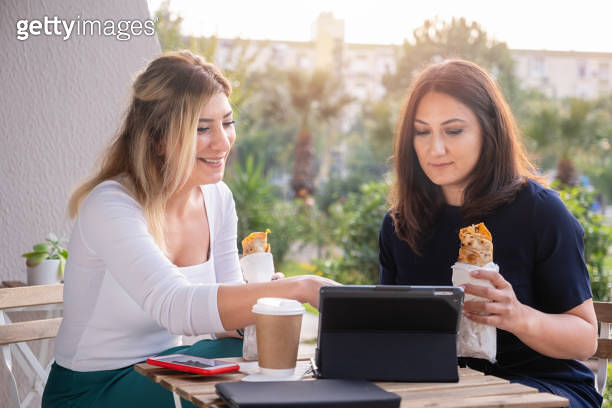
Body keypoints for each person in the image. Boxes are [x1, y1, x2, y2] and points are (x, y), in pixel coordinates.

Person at [42, 50, 338, 408]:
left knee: (249, 356)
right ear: (159, 138)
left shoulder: (217, 198)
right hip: (94, 388)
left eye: (227, 123)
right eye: (202, 128)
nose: (222, 142)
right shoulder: (112, 205)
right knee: (247, 387)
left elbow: (224, 325)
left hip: (164, 369)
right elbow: (176, 307)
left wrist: (263, 301)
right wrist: (302, 288)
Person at [378, 59, 601, 407]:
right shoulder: (400, 223)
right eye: (422, 131)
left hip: (543, 388)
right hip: (440, 389)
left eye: (453, 131)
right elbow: (388, 330)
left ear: (489, 129)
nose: (435, 149)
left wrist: (518, 316)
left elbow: (585, 339)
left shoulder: (540, 212)